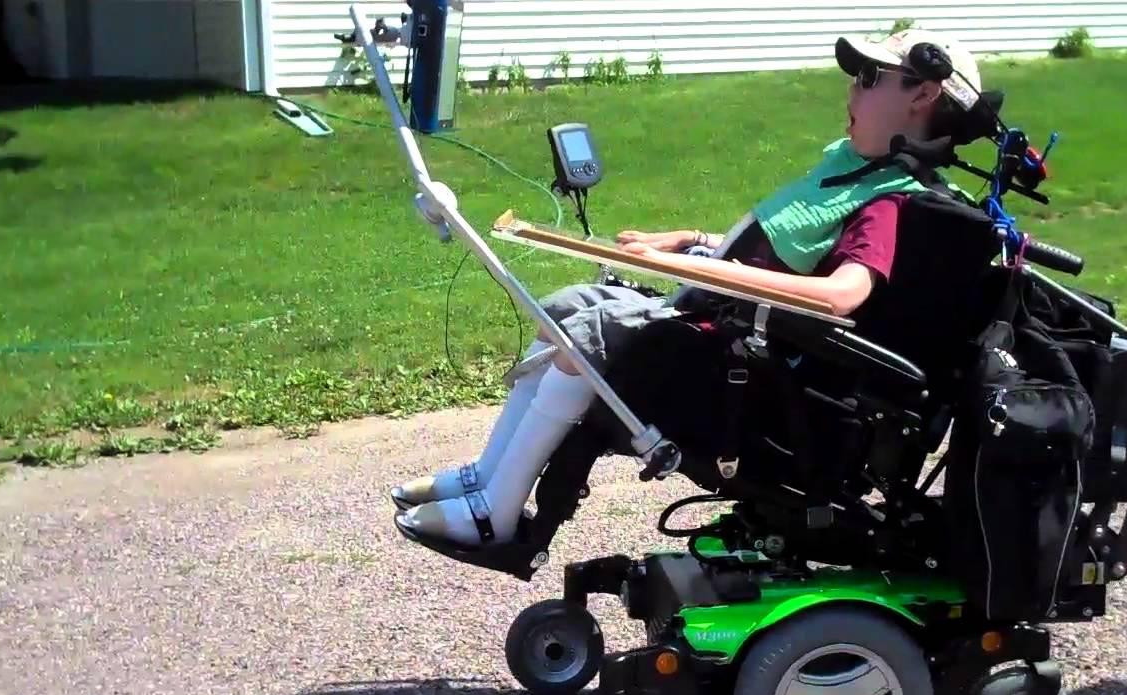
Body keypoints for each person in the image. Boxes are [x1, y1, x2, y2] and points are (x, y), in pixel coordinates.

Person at [393, 28, 984, 547]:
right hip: (716, 327)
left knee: (587, 333)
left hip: (746, 370)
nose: (853, 89)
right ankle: (488, 473)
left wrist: (693, 270)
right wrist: (692, 239)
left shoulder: (890, 201)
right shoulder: (855, 169)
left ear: (923, 96)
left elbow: (840, 295)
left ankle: (494, 513)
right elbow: (773, 244)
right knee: (563, 306)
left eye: (870, 77)